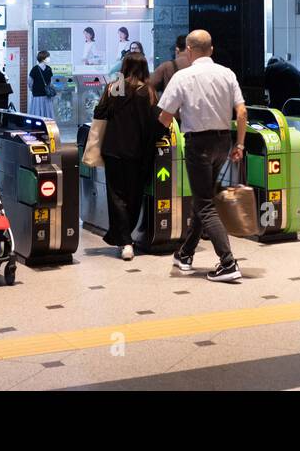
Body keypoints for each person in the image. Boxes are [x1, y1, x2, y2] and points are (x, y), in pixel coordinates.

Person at [157, 30, 247, 282]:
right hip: (223, 141)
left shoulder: (182, 76)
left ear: (188, 50)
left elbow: (165, 117)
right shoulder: (227, 73)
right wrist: (239, 144)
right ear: (212, 49)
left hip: (198, 144)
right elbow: (241, 113)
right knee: (203, 197)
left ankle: (228, 262)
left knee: (205, 204)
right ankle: (185, 254)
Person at [95, 53, 166, 260]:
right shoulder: (149, 92)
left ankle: (125, 241)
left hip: (113, 150)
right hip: (138, 152)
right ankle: (126, 239)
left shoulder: (113, 88)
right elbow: (157, 124)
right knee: (134, 196)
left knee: (116, 195)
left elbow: (99, 113)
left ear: (124, 67)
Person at [28, 50, 54, 117]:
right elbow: (51, 82)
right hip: (46, 95)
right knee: (48, 113)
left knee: (37, 112)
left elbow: (30, 82)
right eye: (48, 57)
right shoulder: (49, 69)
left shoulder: (34, 69)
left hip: (37, 95)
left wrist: (33, 89)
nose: (49, 59)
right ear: (43, 59)